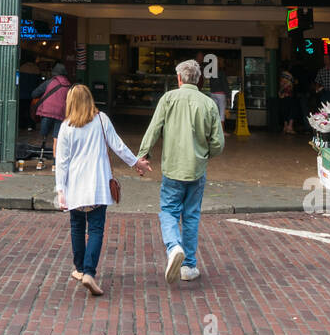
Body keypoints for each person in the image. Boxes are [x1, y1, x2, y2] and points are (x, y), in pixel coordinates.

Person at [54, 84, 151, 297]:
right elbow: (118, 146)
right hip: (98, 184)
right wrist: (137, 163)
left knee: (77, 226)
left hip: (75, 185)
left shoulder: (66, 126)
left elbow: (61, 162)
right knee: (96, 229)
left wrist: (60, 190)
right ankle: (89, 272)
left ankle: (80, 269)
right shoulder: (101, 119)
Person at [137, 59, 225, 286]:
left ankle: (173, 246)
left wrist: (143, 155)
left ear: (178, 78)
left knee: (168, 211)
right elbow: (218, 143)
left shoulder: (168, 99)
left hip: (173, 168)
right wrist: (205, 155)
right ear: (198, 79)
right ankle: (189, 266)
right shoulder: (209, 104)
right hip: (197, 169)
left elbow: (154, 129)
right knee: (191, 216)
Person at [31, 63, 70, 158]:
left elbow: (34, 94)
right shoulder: (68, 85)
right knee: (57, 137)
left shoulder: (49, 82)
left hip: (47, 112)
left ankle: (41, 154)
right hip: (61, 113)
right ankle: (55, 160)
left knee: (44, 135)